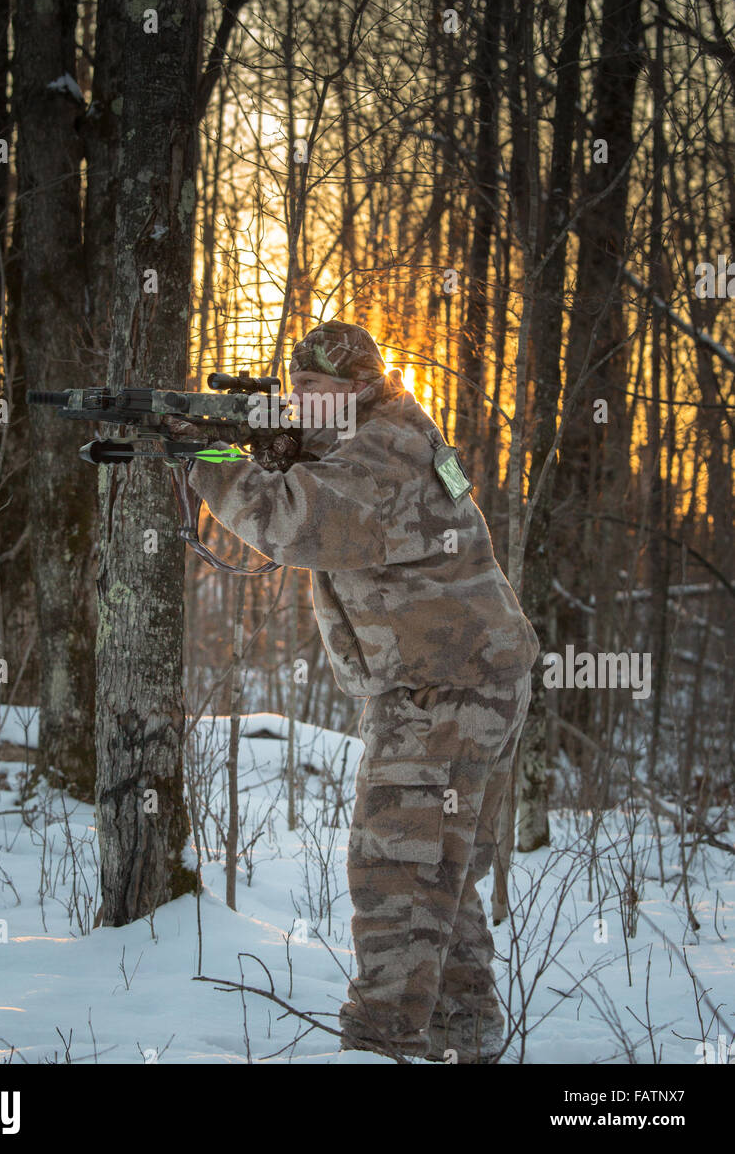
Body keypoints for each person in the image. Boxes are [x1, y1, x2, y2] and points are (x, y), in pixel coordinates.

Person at [169, 321, 539, 1062]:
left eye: (314, 390)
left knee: (394, 875)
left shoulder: (387, 446)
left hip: (442, 693)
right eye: (292, 390)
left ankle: (381, 1046)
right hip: (472, 681)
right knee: (442, 871)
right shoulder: (393, 433)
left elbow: (294, 522)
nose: (298, 403)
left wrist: (203, 458)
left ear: (362, 386)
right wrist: (276, 445)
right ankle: (465, 1041)